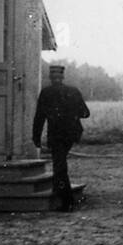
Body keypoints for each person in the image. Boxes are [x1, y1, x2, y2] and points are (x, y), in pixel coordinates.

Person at [32, 63, 90, 211]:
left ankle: (66, 202)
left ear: (50, 77)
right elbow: (85, 113)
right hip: (72, 133)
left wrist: (36, 137)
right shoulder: (73, 91)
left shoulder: (46, 93)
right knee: (60, 164)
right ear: (63, 77)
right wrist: (71, 113)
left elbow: (39, 117)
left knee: (59, 166)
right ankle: (62, 195)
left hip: (56, 133)